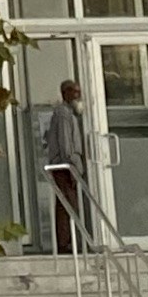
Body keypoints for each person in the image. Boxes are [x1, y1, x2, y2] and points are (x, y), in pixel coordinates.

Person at [39, 77, 95, 253]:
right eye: (75, 92)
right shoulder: (63, 114)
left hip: (66, 166)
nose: (78, 96)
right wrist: (71, 166)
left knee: (65, 204)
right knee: (69, 205)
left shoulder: (68, 113)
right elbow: (65, 144)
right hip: (64, 167)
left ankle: (66, 242)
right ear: (66, 93)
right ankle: (65, 243)